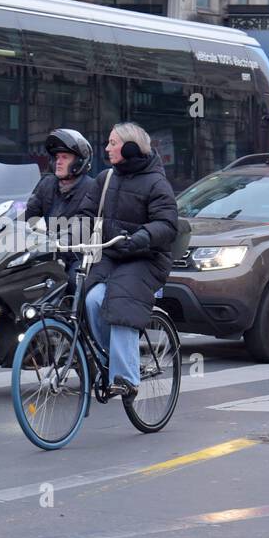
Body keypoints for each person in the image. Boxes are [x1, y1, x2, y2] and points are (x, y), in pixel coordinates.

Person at [80, 122, 179, 399]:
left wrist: (142, 237)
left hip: (146, 257)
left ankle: (126, 378)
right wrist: (60, 233)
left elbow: (167, 225)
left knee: (120, 301)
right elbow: (86, 214)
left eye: (112, 142)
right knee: (91, 299)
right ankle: (111, 356)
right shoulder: (105, 178)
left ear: (130, 147)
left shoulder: (156, 182)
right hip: (113, 254)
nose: (107, 148)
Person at [25, 129, 97, 271]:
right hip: (48, 252)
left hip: (78, 256)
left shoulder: (92, 188)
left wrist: (57, 242)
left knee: (73, 283)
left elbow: (83, 226)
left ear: (79, 162)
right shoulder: (47, 184)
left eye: (65, 157)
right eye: (57, 157)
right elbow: (27, 214)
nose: (58, 162)